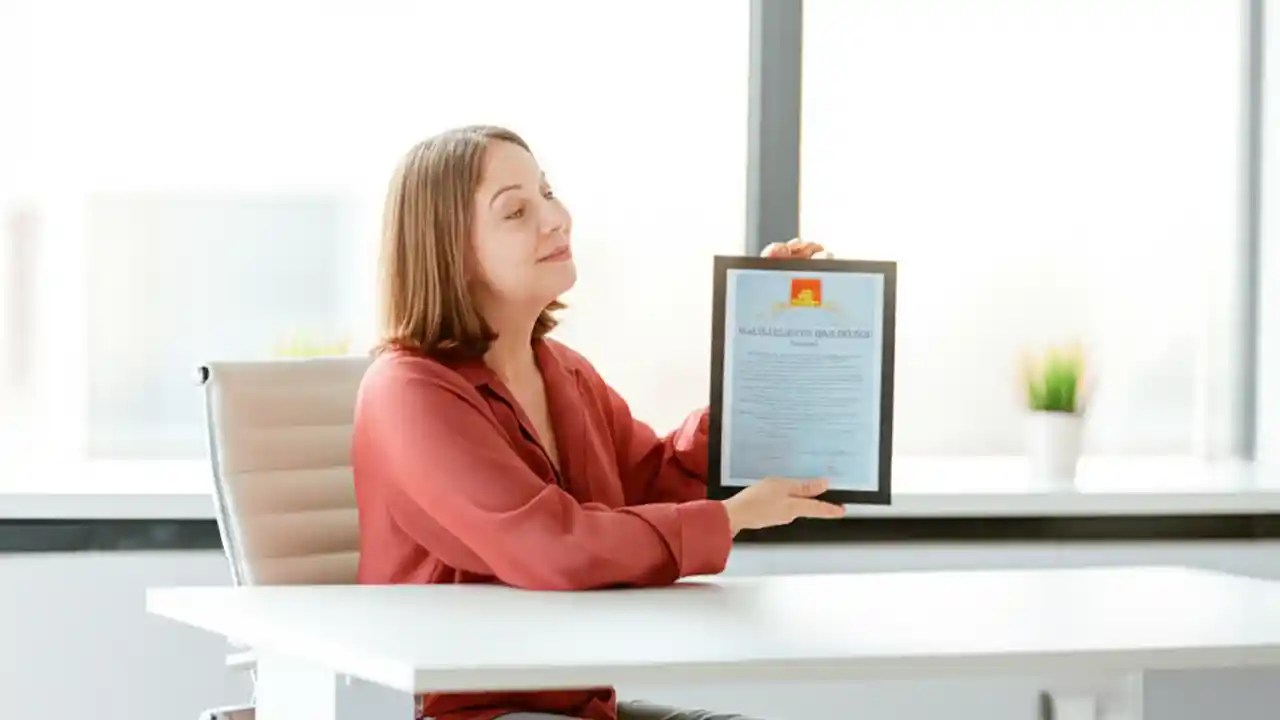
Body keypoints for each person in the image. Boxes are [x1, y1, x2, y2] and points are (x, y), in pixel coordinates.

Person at [353, 125, 847, 720]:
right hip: (468, 711)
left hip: (577, 706)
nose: (556, 218)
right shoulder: (408, 390)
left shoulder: (565, 372)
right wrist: (731, 517)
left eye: (547, 193)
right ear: (447, 249)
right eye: (516, 211)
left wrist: (769, 336)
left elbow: (657, 480)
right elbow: (552, 546)